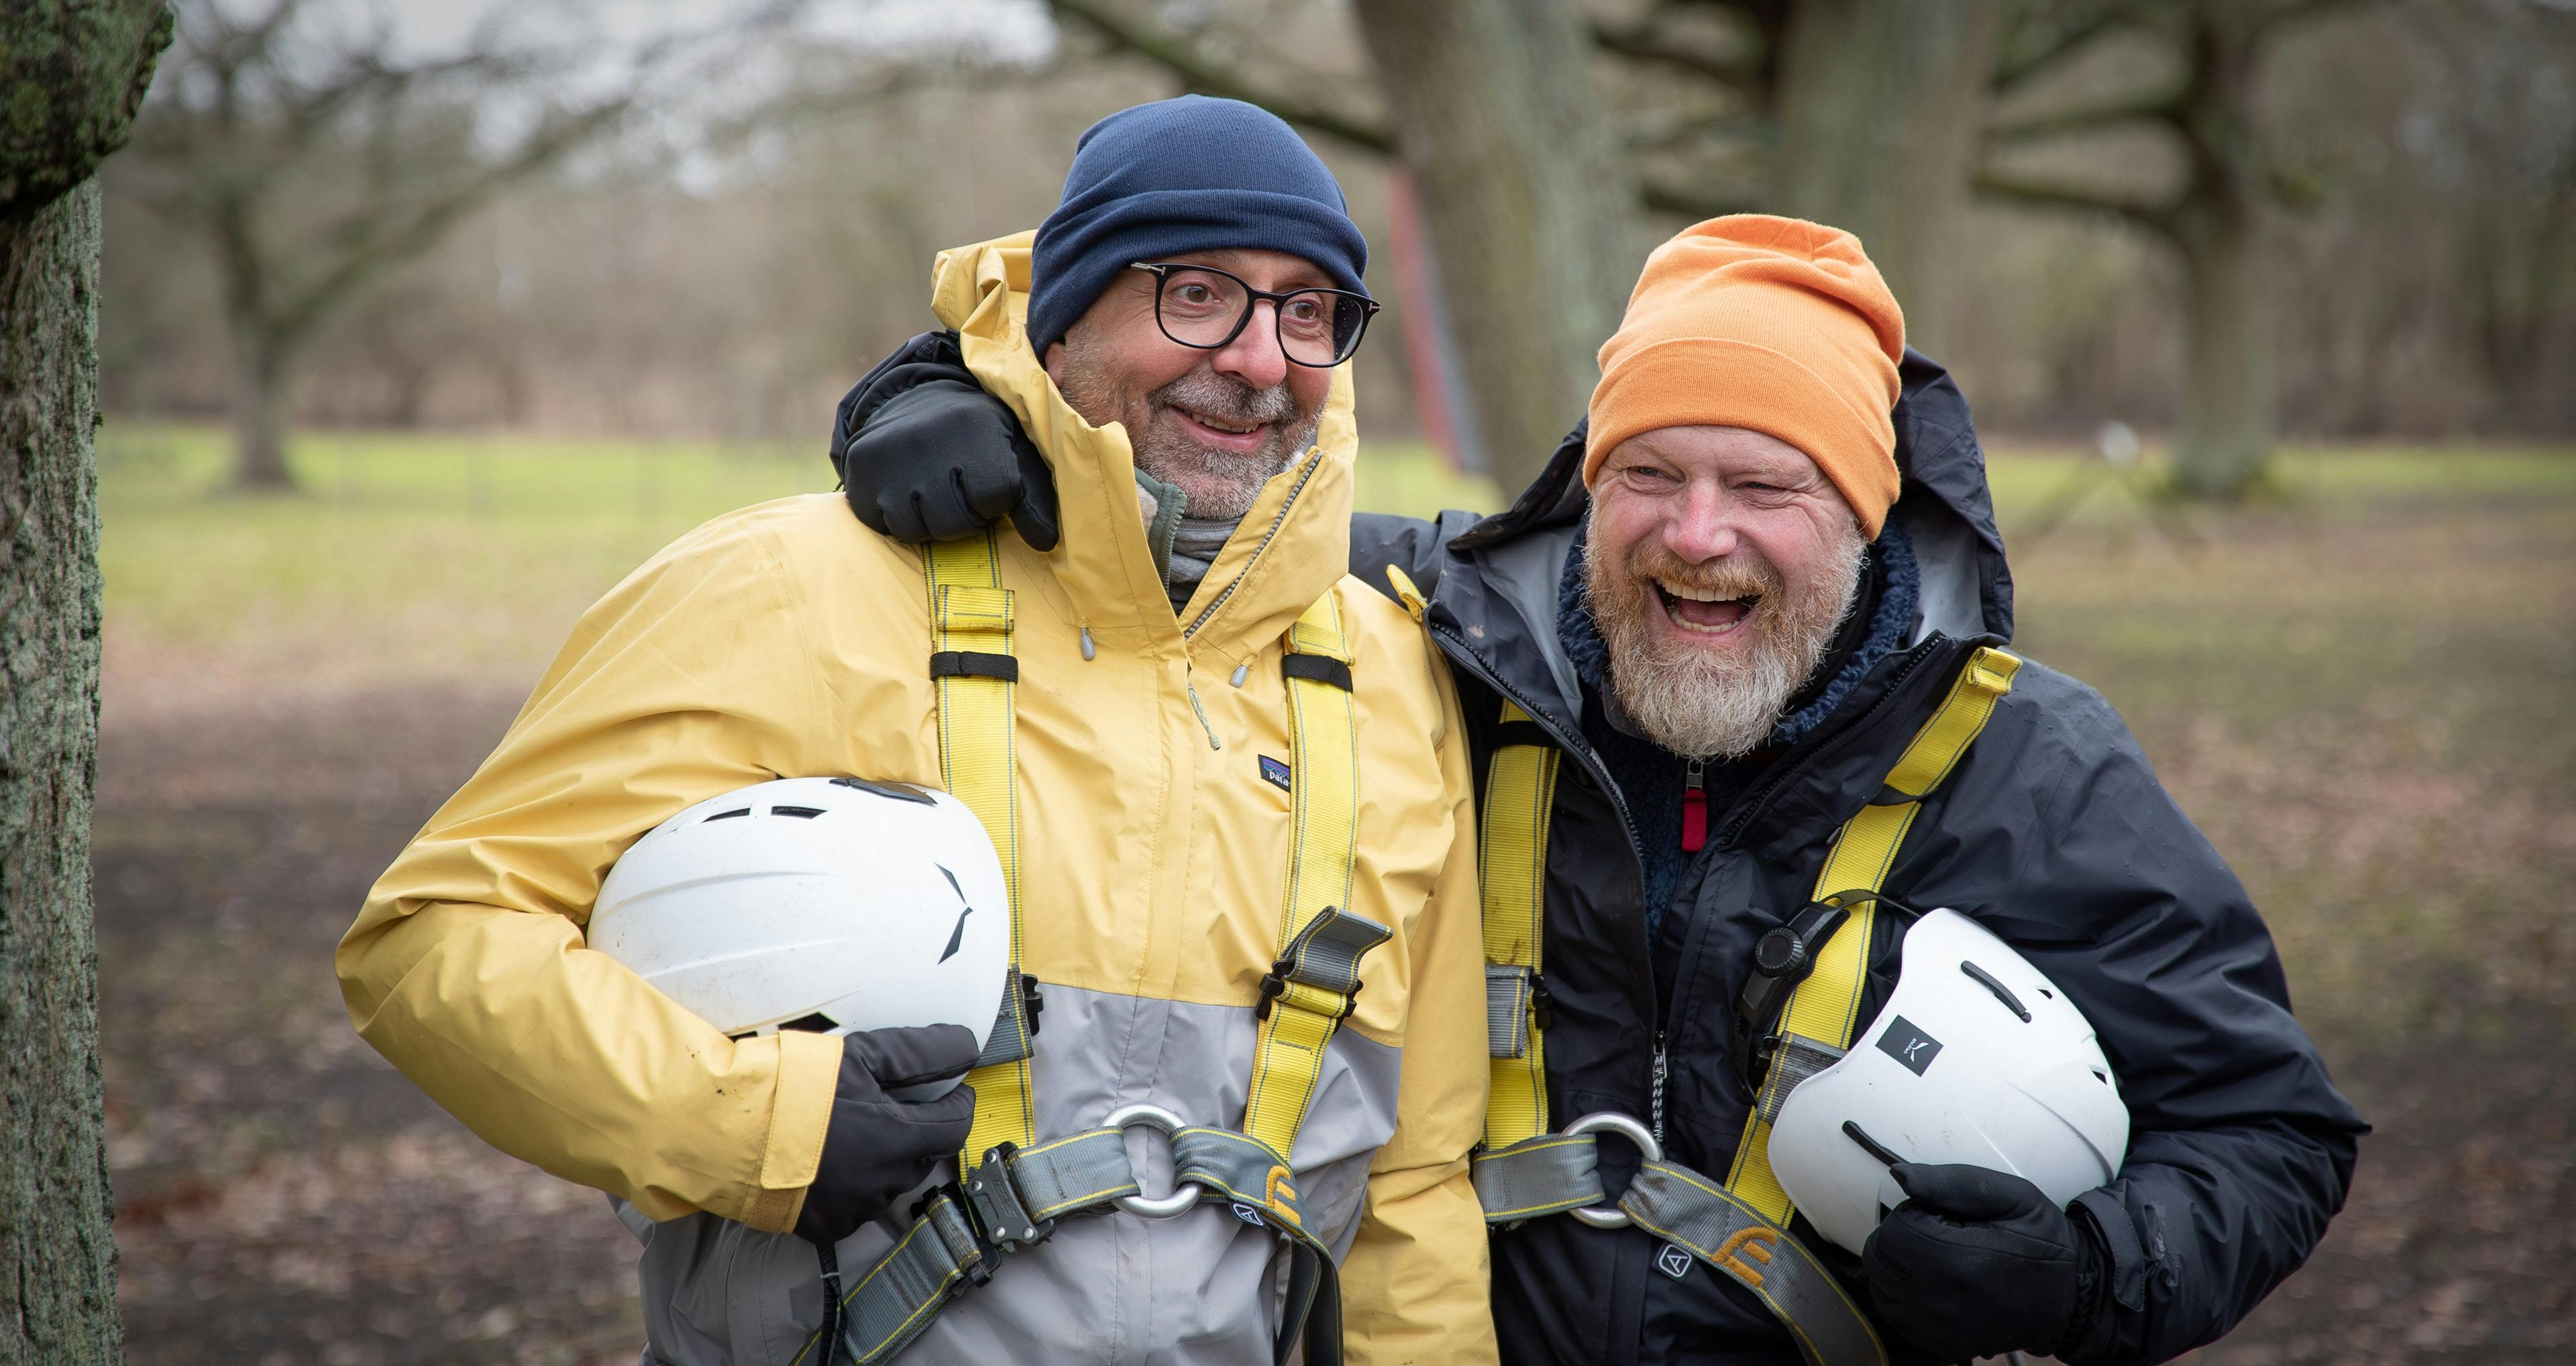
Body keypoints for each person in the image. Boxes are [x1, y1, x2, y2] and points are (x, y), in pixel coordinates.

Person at [834, 213, 2368, 1365]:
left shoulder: (2029, 765)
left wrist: (2086, 1274)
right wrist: (947, 404)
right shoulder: (1420, 635)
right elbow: (1176, 499)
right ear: (1587, 484)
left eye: (1766, 487)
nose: (1696, 536)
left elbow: (2268, 1131)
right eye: (1650, 475)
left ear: (1869, 508)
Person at [337, 95, 1499, 1366]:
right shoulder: (795, 586)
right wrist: (754, 1129)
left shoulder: (1392, 674)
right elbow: (433, 942)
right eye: (1199, 294)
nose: (1262, 358)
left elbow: (1413, 1191)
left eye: (1308, 310)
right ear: (1064, 318)